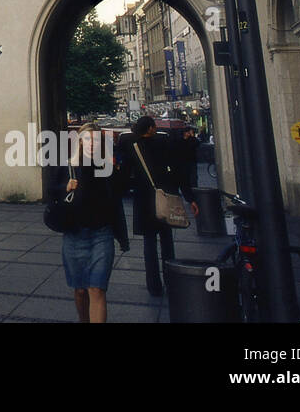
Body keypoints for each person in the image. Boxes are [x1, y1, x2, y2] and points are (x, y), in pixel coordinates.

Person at [55, 122, 129, 323]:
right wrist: (66, 189)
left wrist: (122, 237)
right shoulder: (68, 166)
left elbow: (116, 204)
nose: (91, 143)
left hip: (101, 234)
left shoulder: (108, 167)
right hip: (74, 235)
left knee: (96, 289)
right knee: (80, 291)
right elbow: (53, 196)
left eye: (95, 139)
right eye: (87, 139)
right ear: (79, 141)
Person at [118, 116, 198, 296]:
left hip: (144, 200)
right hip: (165, 198)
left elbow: (124, 175)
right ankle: (171, 279)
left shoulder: (132, 146)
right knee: (167, 241)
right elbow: (179, 171)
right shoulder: (164, 143)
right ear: (151, 128)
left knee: (149, 244)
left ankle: (153, 285)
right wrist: (190, 197)